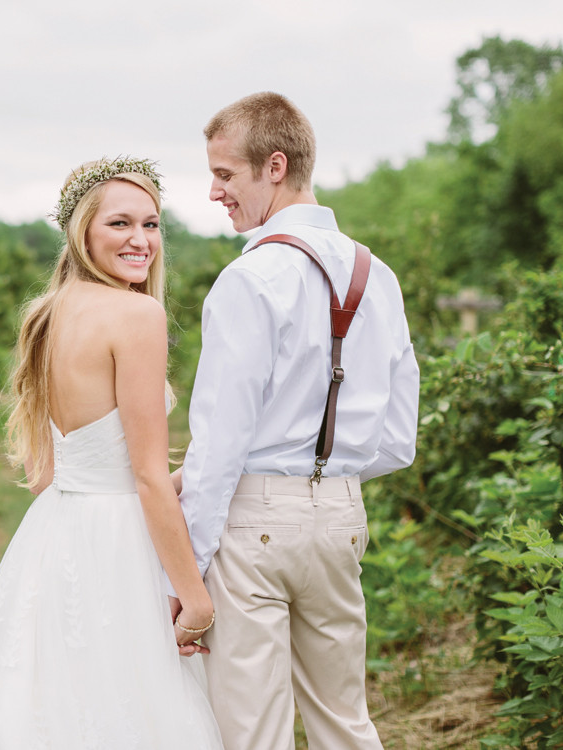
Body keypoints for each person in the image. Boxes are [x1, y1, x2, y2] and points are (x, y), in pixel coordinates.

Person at [0, 156, 223, 750]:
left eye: (152, 223)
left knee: (46, 705)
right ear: (82, 231)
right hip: (117, 545)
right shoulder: (138, 314)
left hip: (54, 533)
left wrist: (179, 476)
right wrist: (194, 598)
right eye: (120, 224)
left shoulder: (47, 313)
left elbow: (52, 472)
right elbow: (142, 478)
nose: (141, 240)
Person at [175, 92, 420, 750]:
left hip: (253, 521)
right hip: (342, 519)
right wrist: (329, 476)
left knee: (252, 731)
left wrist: (187, 573)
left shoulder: (249, 280)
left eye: (225, 175)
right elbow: (397, 441)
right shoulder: (381, 278)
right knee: (346, 723)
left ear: (273, 167)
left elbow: (220, 443)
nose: (213, 193)